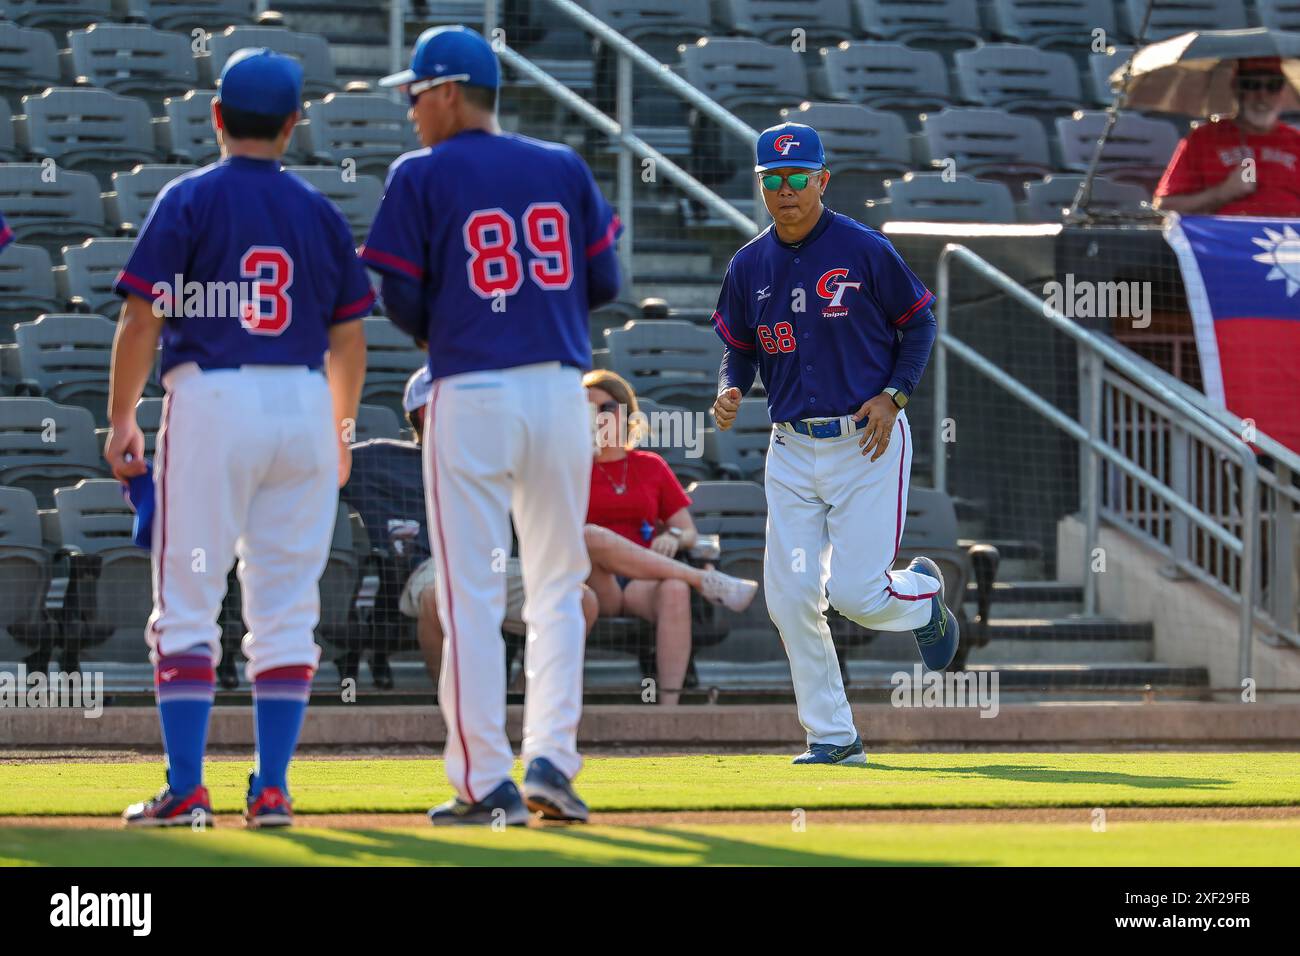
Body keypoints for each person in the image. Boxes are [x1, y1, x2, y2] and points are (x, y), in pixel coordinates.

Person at [104, 49, 373, 827]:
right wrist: (341, 426)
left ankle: (188, 788)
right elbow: (350, 337)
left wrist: (122, 417)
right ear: (294, 124)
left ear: (216, 117)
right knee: (286, 611)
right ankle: (275, 790)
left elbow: (139, 317)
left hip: (213, 400)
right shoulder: (321, 212)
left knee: (188, 605)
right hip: (302, 404)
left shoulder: (188, 198)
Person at [360, 25, 621, 826]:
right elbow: (605, 280)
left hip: (468, 388)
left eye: (415, 93)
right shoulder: (563, 167)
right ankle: (553, 761)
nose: (409, 109)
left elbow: (394, 292)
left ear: (446, 92)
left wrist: (448, 327)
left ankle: (485, 781)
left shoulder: (421, 173)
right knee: (556, 585)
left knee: (470, 592)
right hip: (557, 391)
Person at [711, 122, 958, 767]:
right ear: (760, 185)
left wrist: (895, 395)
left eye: (799, 177)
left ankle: (925, 600)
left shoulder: (865, 249)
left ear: (823, 180)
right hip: (791, 446)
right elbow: (737, 348)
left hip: (866, 439)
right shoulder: (748, 264)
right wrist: (731, 387)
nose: (786, 190)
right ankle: (833, 736)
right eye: (774, 179)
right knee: (788, 598)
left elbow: (919, 322)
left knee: (856, 596)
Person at [343, 367, 601, 685]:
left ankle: (523, 704)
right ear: (427, 413)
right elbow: (307, 473)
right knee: (439, 595)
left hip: (495, 566)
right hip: (427, 569)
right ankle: (453, 710)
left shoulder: (495, 461)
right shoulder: (377, 461)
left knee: (579, 601)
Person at [584, 370, 758, 706]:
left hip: (640, 581)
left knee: (675, 589)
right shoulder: (570, 466)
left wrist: (676, 538)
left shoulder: (650, 466)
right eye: (585, 410)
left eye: (604, 408)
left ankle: (668, 711)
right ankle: (704, 579)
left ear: (626, 413)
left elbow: (688, 530)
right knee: (590, 536)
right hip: (592, 581)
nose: (595, 417)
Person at [1154, 57, 1300, 217]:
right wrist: (1222, 193)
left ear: (1282, 91)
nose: (1262, 96)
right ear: (1236, 87)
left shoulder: (1295, 141)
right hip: (1222, 238)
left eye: (1272, 86)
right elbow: (1164, 207)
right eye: (1252, 85)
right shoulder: (1202, 139)